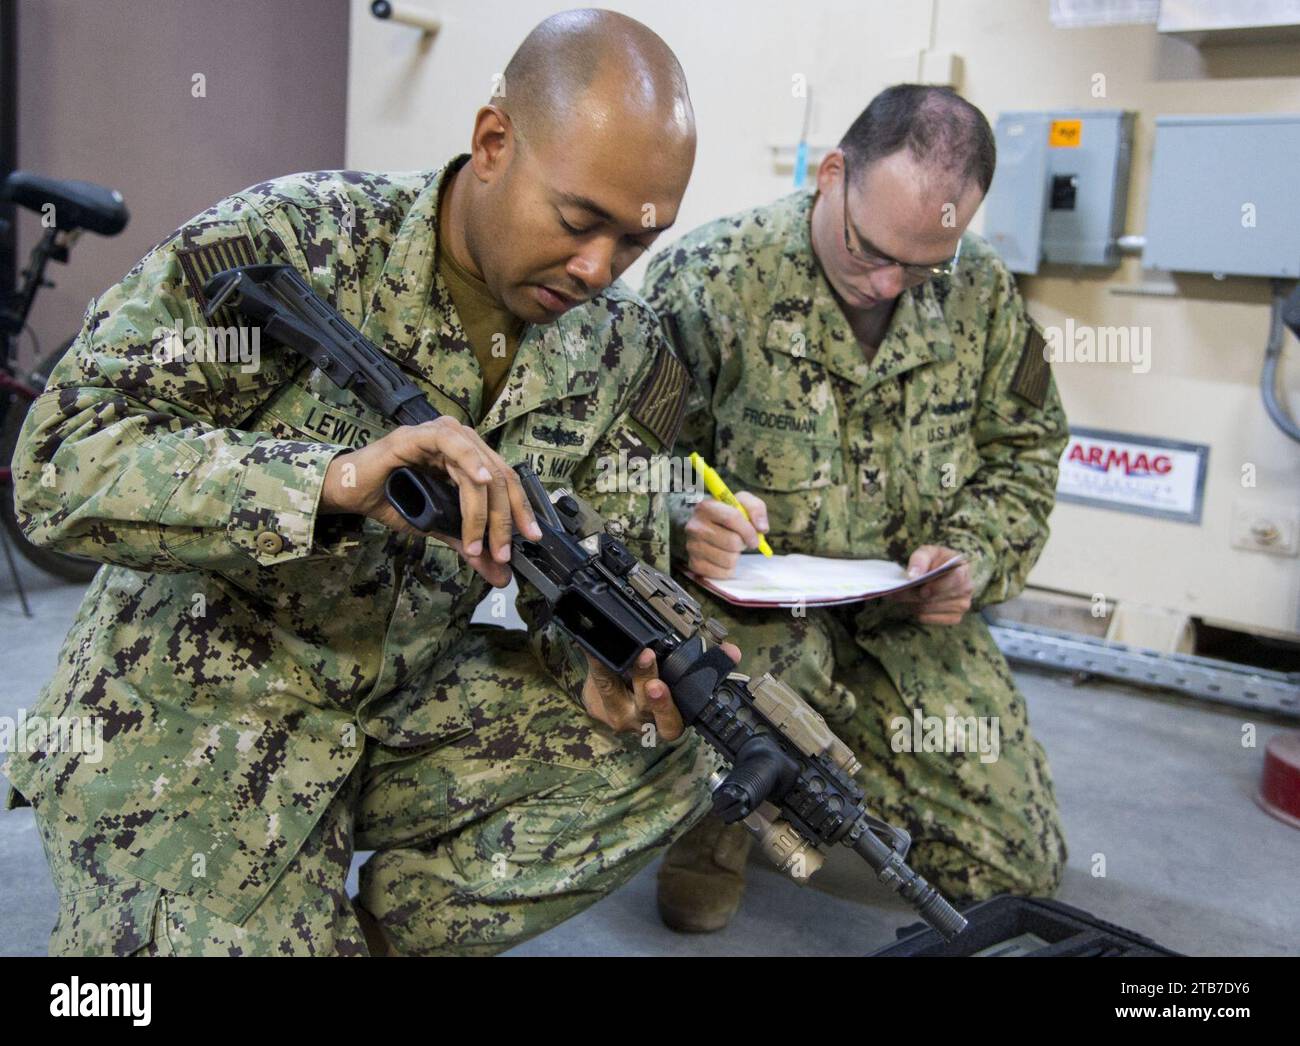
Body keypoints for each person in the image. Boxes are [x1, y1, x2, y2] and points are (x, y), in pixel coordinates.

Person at [2, 8, 735, 956]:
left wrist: (602, 682)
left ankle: (370, 937)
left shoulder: (626, 353)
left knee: (677, 749)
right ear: (493, 142)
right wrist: (334, 481)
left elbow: (590, 568)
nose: (598, 267)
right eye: (576, 221)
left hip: (400, 697)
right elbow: (57, 459)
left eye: (635, 242)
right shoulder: (287, 242)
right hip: (189, 706)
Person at [644, 84, 1069, 933]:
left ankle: (819, 787)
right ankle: (713, 820)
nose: (886, 283)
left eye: (921, 265)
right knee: (753, 683)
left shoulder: (980, 292)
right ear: (833, 173)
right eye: (870, 248)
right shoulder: (713, 278)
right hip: (750, 621)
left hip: (903, 622)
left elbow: (1027, 450)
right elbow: (619, 461)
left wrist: (971, 556)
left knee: (1017, 867)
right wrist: (683, 519)